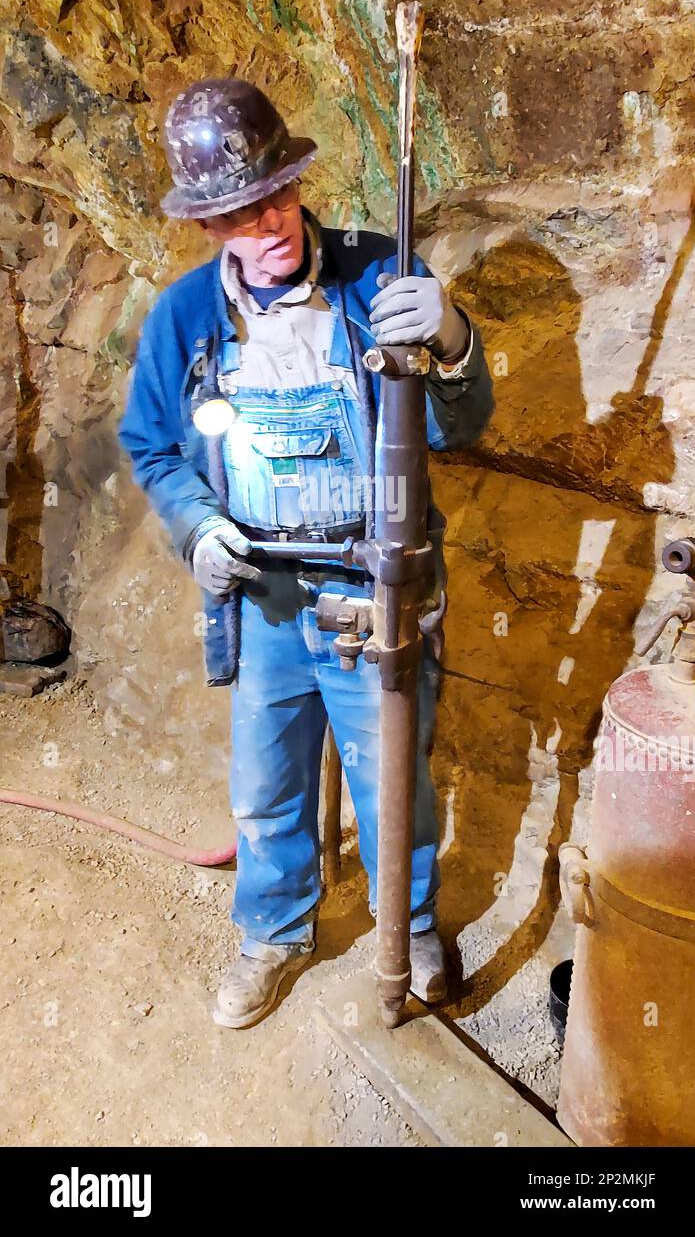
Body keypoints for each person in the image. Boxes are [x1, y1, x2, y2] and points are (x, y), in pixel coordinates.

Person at [118, 78, 494, 1027]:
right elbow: (151, 444)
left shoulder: (376, 277)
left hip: (376, 589)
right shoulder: (185, 317)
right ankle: (273, 933)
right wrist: (197, 524)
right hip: (265, 601)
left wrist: (451, 341)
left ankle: (403, 927)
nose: (271, 222)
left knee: (390, 779)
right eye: (242, 212)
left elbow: (462, 428)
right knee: (266, 786)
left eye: (278, 194)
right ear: (207, 225)